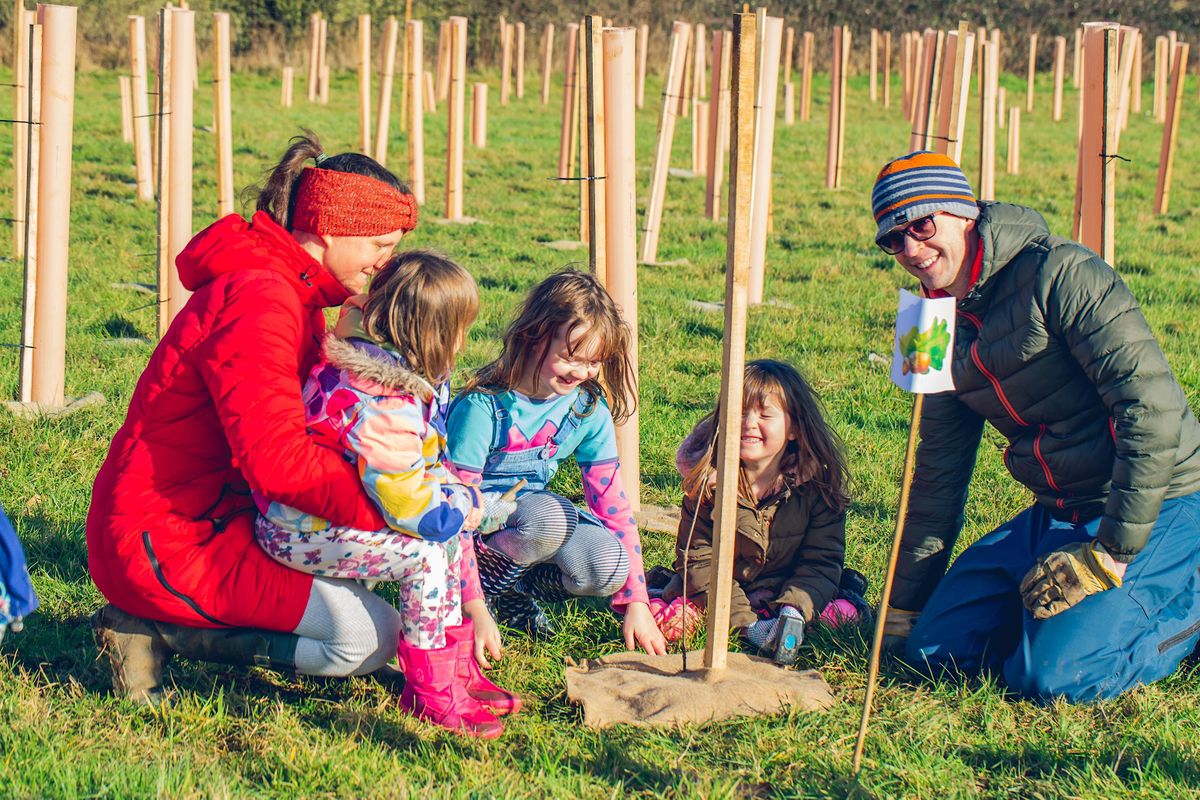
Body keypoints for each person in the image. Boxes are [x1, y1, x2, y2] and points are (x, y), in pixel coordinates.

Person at [88, 133, 421, 705]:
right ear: (329, 228)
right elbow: (280, 463)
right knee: (372, 636)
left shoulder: (296, 292)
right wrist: (393, 507)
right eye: (379, 244)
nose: (385, 263)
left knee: (368, 600)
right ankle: (151, 631)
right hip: (167, 538)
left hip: (225, 513)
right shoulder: (261, 300)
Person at [871, 151, 1200, 702]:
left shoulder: (1063, 273)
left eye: (921, 225)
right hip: (1059, 510)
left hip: (1162, 499)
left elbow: (1151, 410)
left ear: (963, 213)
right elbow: (933, 471)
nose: (911, 249)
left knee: (1053, 679)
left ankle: (1182, 607)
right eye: (893, 240)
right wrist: (904, 605)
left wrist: (1112, 553)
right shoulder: (922, 322)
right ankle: (1051, 626)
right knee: (932, 654)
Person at [253, 250, 517, 738]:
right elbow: (411, 507)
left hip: (323, 515)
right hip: (300, 530)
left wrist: (454, 496)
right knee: (428, 555)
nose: (464, 339)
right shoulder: (384, 405)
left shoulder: (375, 359)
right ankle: (431, 690)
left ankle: (455, 666)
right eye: (458, 327)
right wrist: (468, 506)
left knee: (446, 527)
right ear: (430, 336)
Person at [445, 270, 667, 655]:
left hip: (527, 523)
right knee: (549, 517)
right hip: (473, 529)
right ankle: (488, 594)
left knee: (609, 567)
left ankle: (514, 589)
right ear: (535, 336)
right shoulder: (483, 408)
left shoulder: (586, 411)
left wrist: (637, 602)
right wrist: (472, 606)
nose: (582, 373)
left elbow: (613, 505)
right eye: (570, 357)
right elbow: (453, 511)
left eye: (594, 362)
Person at [660, 360, 863, 657]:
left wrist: (793, 611)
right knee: (676, 623)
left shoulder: (818, 489)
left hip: (787, 589)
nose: (748, 423)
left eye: (765, 414)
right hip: (721, 591)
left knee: (841, 614)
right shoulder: (706, 485)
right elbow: (699, 562)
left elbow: (821, 562)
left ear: (794, 428)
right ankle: (734, 620)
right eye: (739, 412)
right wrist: (746, 624)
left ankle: (794, 620)